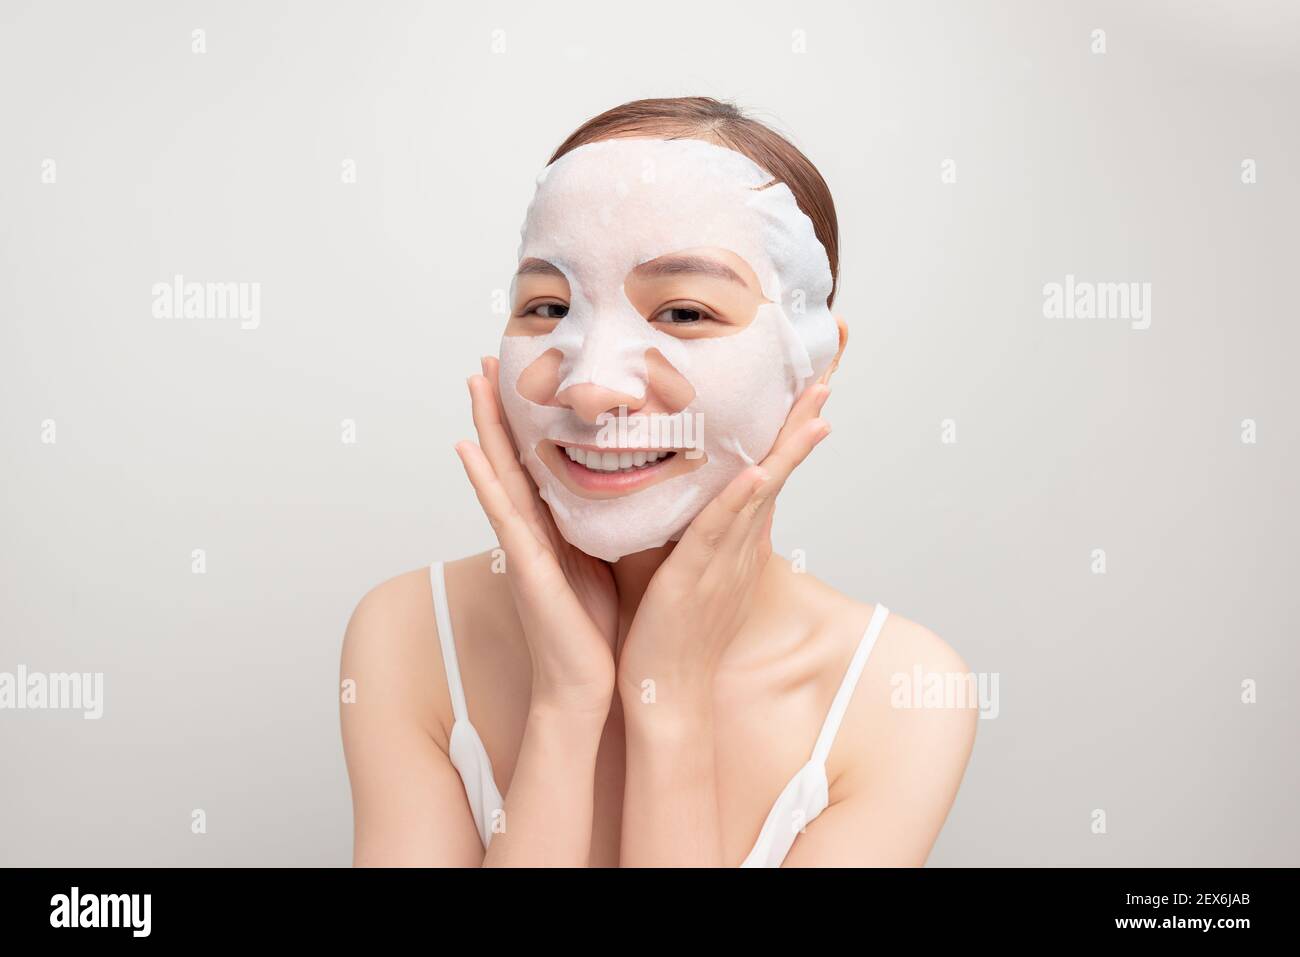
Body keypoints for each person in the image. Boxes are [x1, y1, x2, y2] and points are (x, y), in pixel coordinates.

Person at [340, 97, 977, 867]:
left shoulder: (898, 692)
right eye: (548, 305)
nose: (590, 389)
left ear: (812, 356)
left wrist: (667, 705)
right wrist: (566, 703)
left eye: (682, 311)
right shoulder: (409, 633)